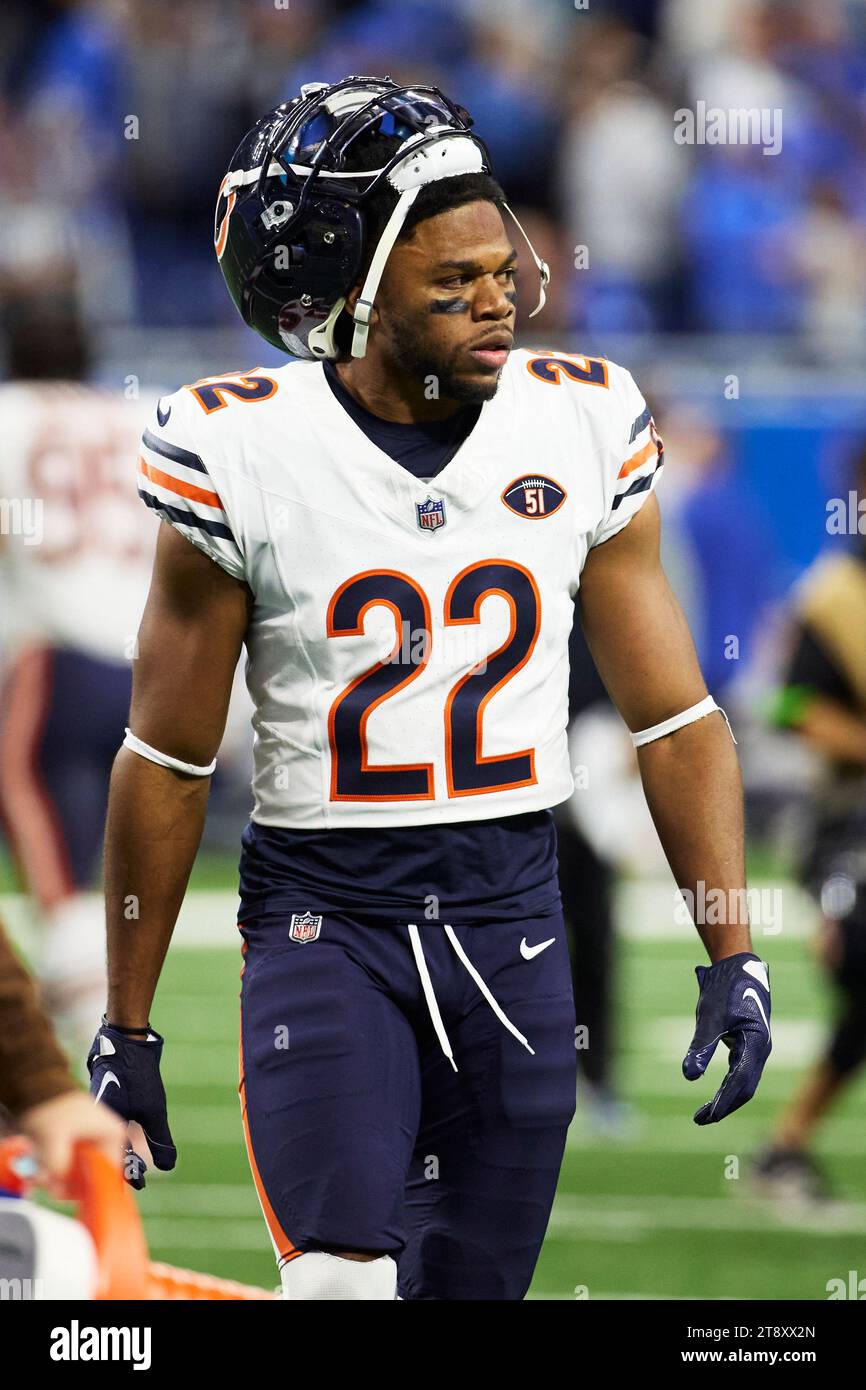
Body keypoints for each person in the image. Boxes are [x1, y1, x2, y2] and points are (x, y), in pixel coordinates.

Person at [88, 77, 771, 1301]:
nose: (493, 298)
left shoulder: (581, 420)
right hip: (322, 919)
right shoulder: (235, 446)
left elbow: (673, 717)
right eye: (448, 281)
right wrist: (126, 1020)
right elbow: (168, 755)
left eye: (498, 269)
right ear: (351, 293)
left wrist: (732, 949)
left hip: (516, 917)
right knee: (343, 1280)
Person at [0, 295, 158, 1051]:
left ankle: (77, 1002)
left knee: (34, 810)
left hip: (54, 655)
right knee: (102, 848)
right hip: (147, 664)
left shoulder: (11, 415)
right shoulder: (140, 416)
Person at [752, 444, 866, 1201]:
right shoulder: (834, 596)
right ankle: (783, 1145)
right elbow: (788, 705)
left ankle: (783, 1146)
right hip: (846, 822)